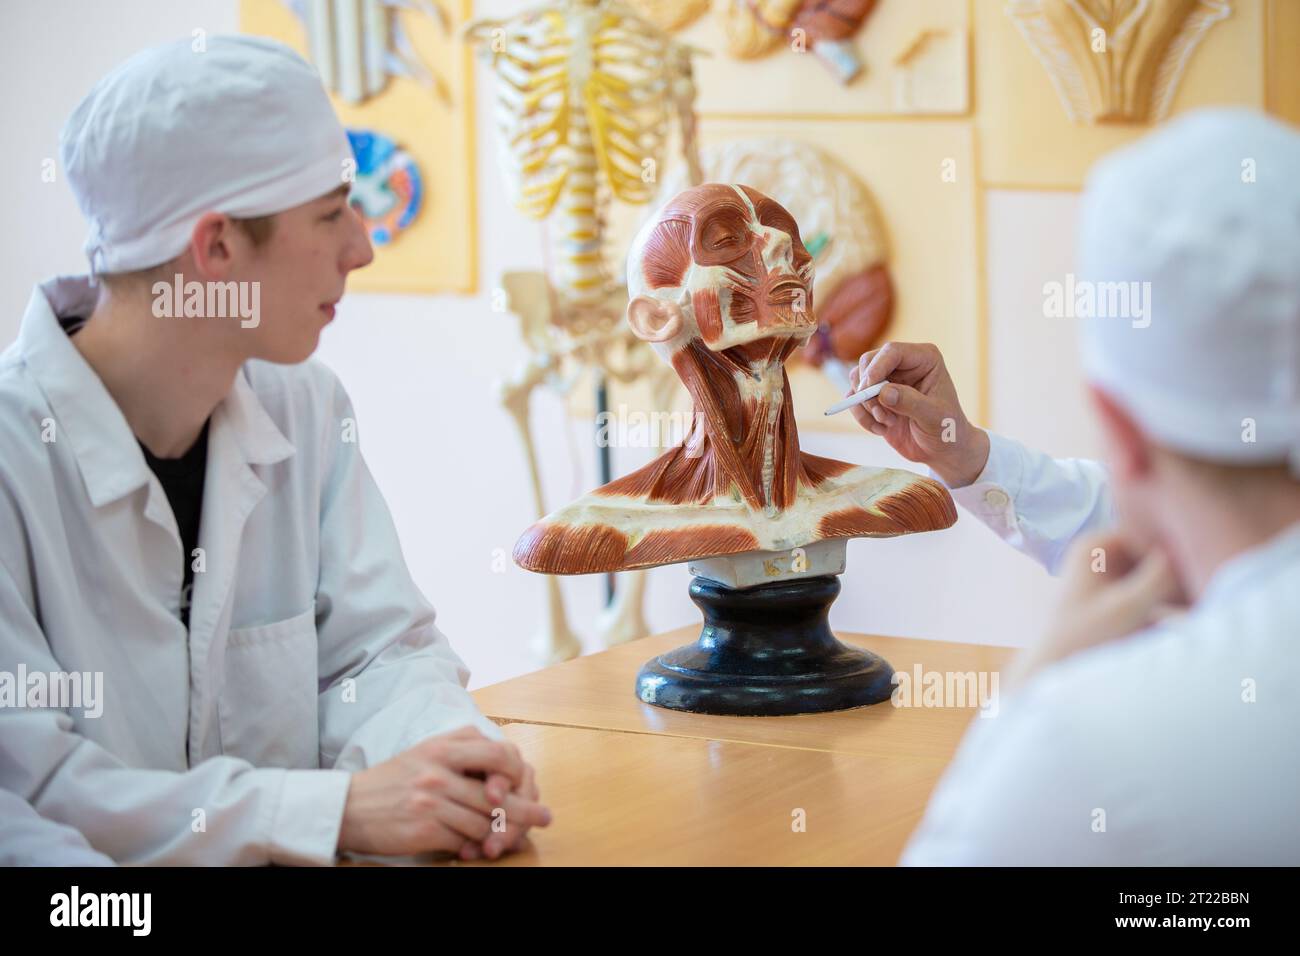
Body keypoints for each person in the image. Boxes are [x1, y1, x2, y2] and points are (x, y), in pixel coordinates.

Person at [0, 35, 549, 865]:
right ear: (216, 247)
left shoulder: (305, 407)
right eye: (332, 214)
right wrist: (330, 814)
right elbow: (27, 798)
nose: (361, 248)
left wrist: (458, 765)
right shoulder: (15, 461)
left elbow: (379, 656)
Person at [844, 108, 1300, 864]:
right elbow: (1179, 517)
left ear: (1115, 424)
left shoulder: (1091, 746)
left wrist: (1031, 692)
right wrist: (970, 456)